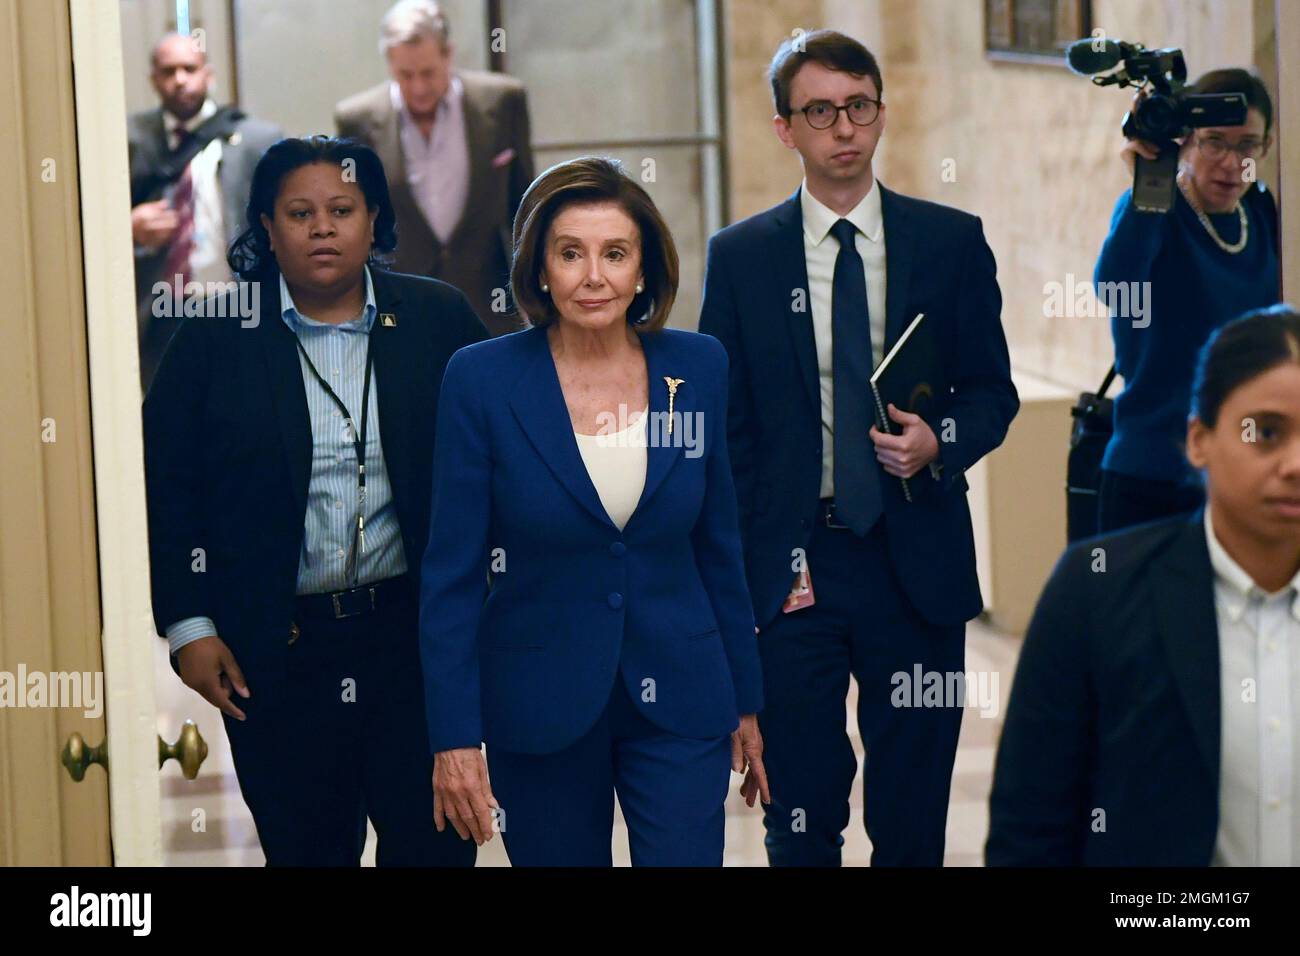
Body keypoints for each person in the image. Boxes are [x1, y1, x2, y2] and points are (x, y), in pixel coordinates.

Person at [699, 30, 1019, 867]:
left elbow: (993, 392)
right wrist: (737, 579)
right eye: (819, 112)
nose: (843, 129)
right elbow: (727, 432)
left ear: (881, 113)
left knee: (912, 819)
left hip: (915, 559)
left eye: (858, 108)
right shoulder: (741, 258)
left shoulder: (949, 243)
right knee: (800, 814)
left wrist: (938, 442)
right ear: (785, 128)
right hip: (794, 566)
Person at [143, 136, 487, 866]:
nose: (322, 227)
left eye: (342, 209)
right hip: (277, 653)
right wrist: (188, 625)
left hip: (413, 647)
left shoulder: (437, 321)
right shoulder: (214, 335)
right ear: (266, 228)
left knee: (434, 850)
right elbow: (168, 484)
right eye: (300, 212)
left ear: (373, 222)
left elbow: (492, 469)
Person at [420, 157, 769, 867]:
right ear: (539, 270)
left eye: (616, 254)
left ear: (644, 270)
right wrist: (454, 736)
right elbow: (451, 575)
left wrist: (747, 700)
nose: (593, 276)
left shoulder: (696, 368)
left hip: (681, 690)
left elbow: (719, 545)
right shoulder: (482, 380)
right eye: (570, 254)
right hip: (538, 701)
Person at [988, 305, 1300, 866]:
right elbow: (1030, 830)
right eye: (1266, 433)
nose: (1296, 463)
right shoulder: (1097, 591)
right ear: (1200, 439)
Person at [1095, 68, 1280, 533]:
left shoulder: (1261, 213)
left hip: (1246, 474)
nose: (1230, 162)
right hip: (1153, 472)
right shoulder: (1154, 209)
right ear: (1185, 142)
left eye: (1247, 145)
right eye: (1214, 142)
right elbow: (1114, 288)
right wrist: (1146, 187)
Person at [335, 0, 535, 335]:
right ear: (389, 64)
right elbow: (354, 218)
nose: (418, 87)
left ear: (449, 54)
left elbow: (525, 204)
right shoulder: (356, 120)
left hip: (490, 300)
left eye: (428, 73)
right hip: (400, 305)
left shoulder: (502, 101)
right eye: (404, 75)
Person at [129, 32, 282, 389]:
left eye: (189, 68)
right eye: (168, 71)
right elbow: (84, 225)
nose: (179, 79)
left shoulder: (257, 140)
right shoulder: (129, 140)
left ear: (208, 75)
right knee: (168, 422)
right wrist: (129, 226)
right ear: (154, 79)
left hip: (235, 304)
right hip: (161, 311)